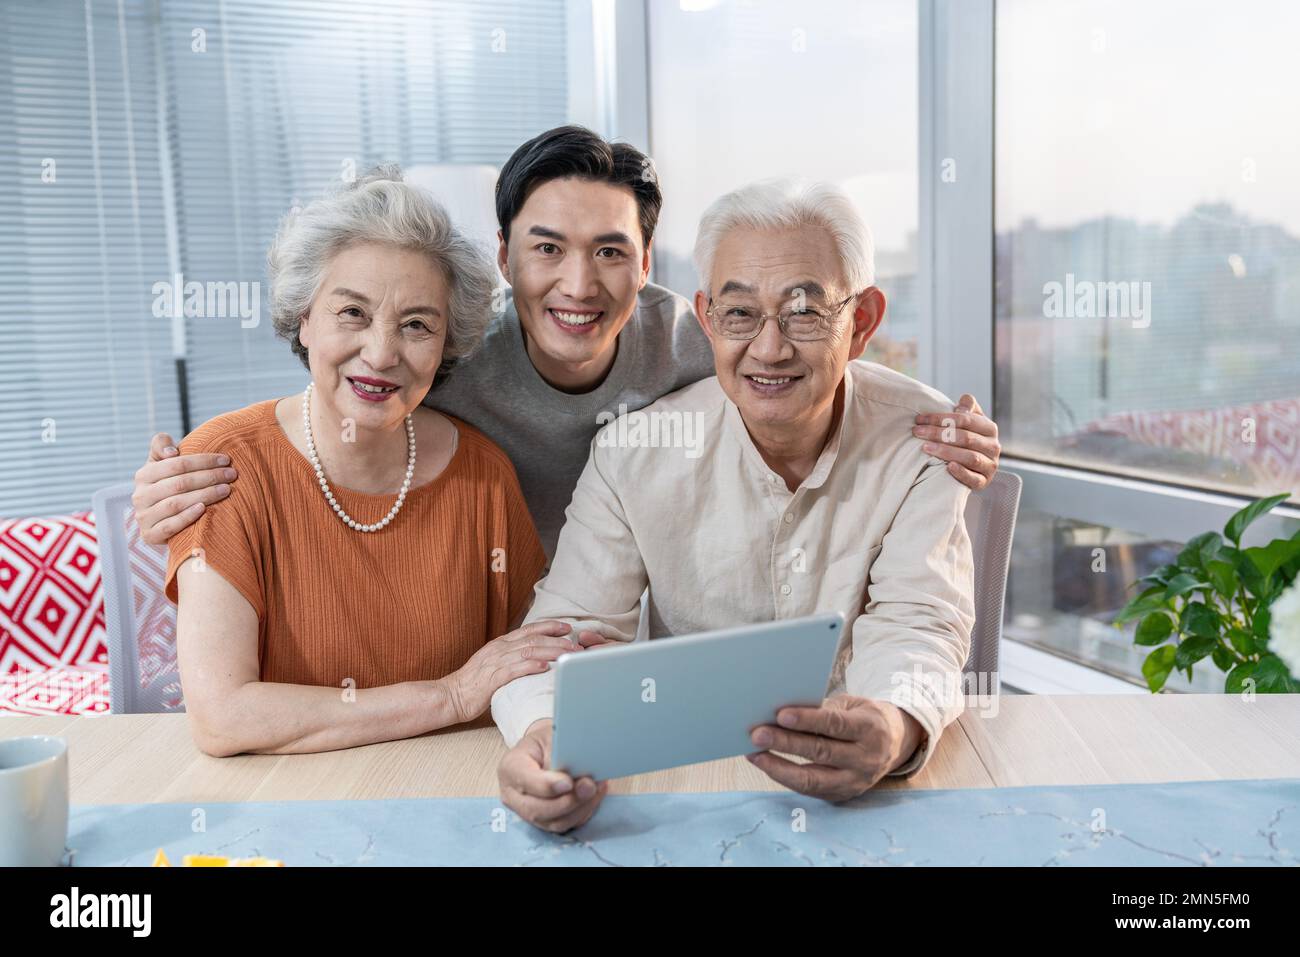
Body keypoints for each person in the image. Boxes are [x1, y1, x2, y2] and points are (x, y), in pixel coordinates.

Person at [131, 127, 1002, 562]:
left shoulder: (706, 341)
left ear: (649, 263)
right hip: (483, 624)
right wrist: (193, 474)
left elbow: (819, 364)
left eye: (611, 252)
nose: (579, 286)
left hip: (641, 617)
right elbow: (334, 381)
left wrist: (942, 423)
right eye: (547, 248)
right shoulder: (448, 351)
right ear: (503, 252)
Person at [495, 180, 976, 832]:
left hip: (864, 798)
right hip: (681, 790)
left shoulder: (927, 438)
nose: (770, 348)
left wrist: (895, 723)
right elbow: (562, 637)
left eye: (804, 311)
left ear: (861, 321)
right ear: (706, 317)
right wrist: (545, 736)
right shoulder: (634, 451)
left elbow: (919, 621)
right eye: (740, 314)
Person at [165, 167, 599, 757]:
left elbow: (523, 667)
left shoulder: (482, 474)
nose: (381, 352)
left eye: (417, 324)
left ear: (448, 344)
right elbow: (224, 716)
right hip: (285, 802)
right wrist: (449, 696)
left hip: (452, 789)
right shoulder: (225, 467)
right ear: (304, 317)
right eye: (352, 313)